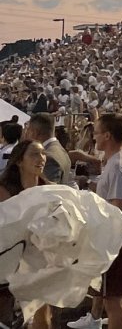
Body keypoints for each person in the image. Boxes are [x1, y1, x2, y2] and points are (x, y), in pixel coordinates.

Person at [92, 113, 122, 329]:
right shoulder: (121, 160)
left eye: (96, 133)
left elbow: (117, 207)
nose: (93, 137)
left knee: (113, 301)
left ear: (107, 135)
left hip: (119, 239)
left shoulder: (119, 164)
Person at [0, 140, 51, 329]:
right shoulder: (4, 191)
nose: (41, 158)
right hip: (8, 267)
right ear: (19, 161)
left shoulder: (49, 189)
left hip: (38, 262)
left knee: (43, 318)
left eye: (43, 153)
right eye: (34, 154)